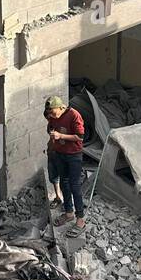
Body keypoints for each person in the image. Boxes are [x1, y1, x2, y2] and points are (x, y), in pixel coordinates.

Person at [45, 96, 85, 229]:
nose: (51, 115)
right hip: (60, 154)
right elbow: (51, 128)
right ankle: (69, 213)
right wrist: (52, 142)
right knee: (64, 183)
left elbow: (79, 136)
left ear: (61, 107)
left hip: (74, 156)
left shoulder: (74, 115)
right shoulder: (52, 117)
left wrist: (61, 136)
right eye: (49, 113)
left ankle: (80, 217)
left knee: (75, 185)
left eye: (52, 112)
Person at [43, 99, 63, 207]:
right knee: (54, 177)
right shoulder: (50, 125)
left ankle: (66, 202)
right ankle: (58, 197)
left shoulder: (61, 124)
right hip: (52, 153)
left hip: (61, 153)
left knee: (64, 177)